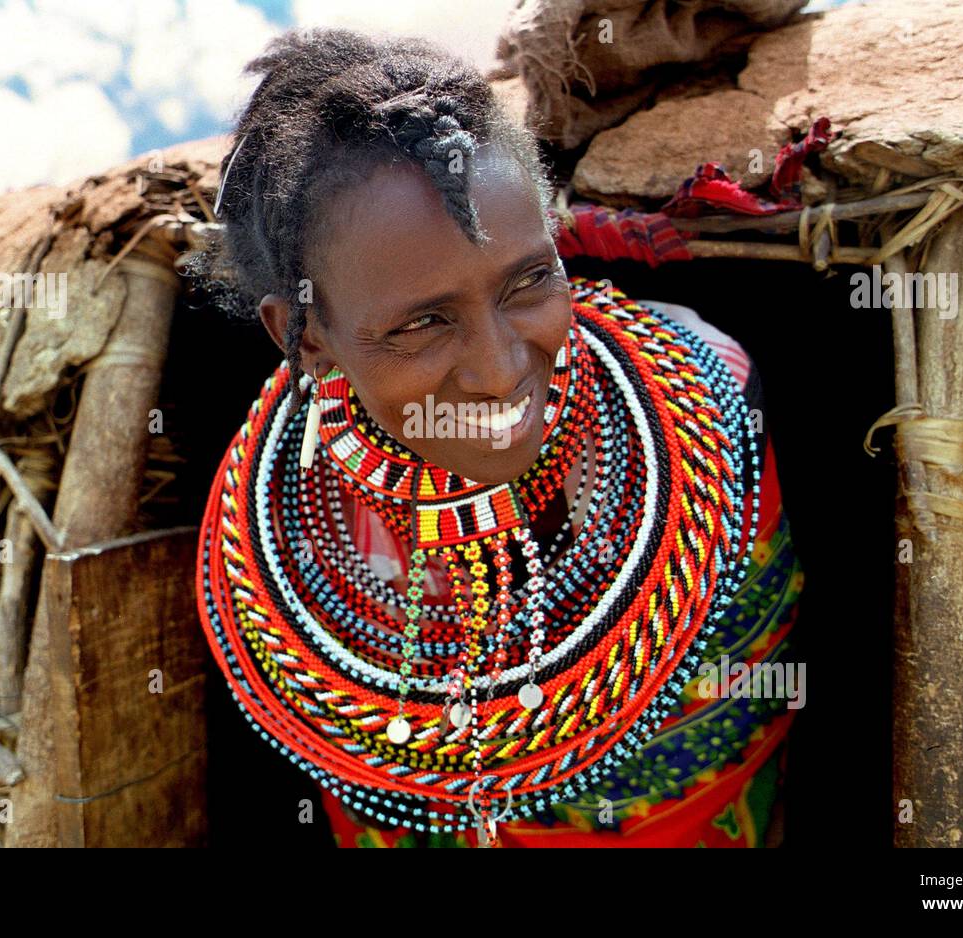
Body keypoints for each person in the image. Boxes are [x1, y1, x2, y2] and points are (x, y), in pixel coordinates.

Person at [197, 26, 803, 848]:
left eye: (529, 280)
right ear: (306, 340)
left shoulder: (711, 391)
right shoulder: (288, 537)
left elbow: (740, 714)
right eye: (423, 323)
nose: (500, 367)